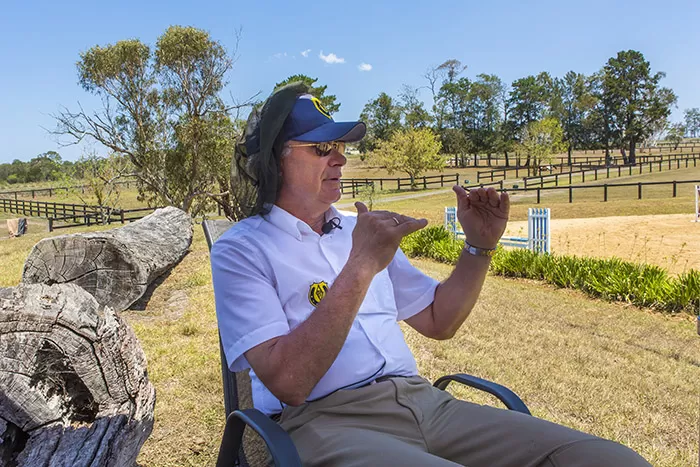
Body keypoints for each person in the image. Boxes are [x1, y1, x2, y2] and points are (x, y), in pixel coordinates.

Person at [211, 83, 650, 466]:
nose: (340, 159)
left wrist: (478, 246)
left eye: (341, 147)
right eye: (323, 148)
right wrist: (361, 265)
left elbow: (440, 321)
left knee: (607, 458)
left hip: (426, 403)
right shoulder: (243, 249)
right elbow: (289, 383)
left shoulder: (359, 228)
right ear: (274, 161)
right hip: (324, 422)